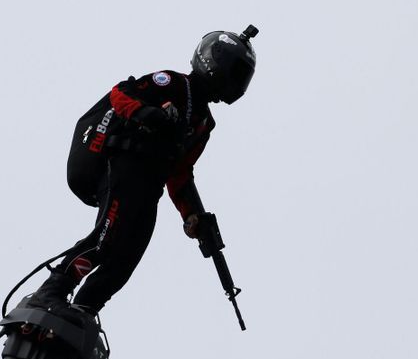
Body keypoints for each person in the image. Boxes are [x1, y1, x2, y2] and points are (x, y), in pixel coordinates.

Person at [27, 25, 259, 319]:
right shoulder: (172, 83)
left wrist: (192, 216)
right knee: (106, 238)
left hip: (149, 186)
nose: (235, 80)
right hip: (124, 165)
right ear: (214, 61)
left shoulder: (203, 125)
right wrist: (142, 112)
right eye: (234, 70)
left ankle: (82, 313)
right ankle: (50, 292)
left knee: (128, 255)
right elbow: (119, 93)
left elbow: (180, 173)